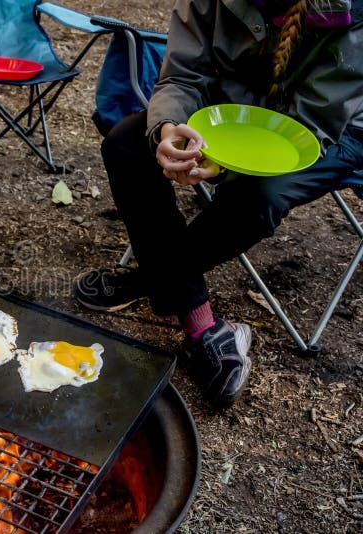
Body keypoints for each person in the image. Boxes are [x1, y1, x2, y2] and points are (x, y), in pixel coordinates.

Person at [75, 0, 363, 408]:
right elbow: (184, 74)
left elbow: (310, 122)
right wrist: (167, 129)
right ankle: (201, 324)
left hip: (328, 128)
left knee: (259, 194)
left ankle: (151, 282)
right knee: (126, 143)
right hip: (230, 109)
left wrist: (221, 165)